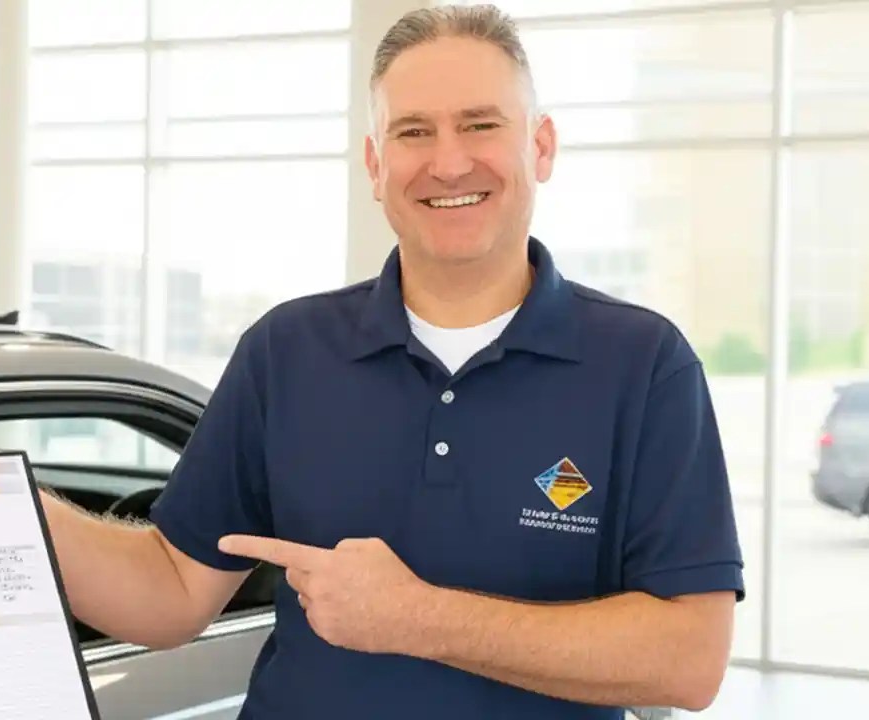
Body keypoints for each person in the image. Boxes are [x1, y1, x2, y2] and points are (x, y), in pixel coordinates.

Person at [39, 4, 744, 718]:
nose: (448, 162)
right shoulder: (285, 351)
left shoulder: (642, 365)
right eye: (413, 132)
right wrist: (5, 500)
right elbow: (170, 592)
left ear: (541, 146)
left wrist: (419, 618)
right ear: (376, 164)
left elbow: (688, 660)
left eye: (480, 124)